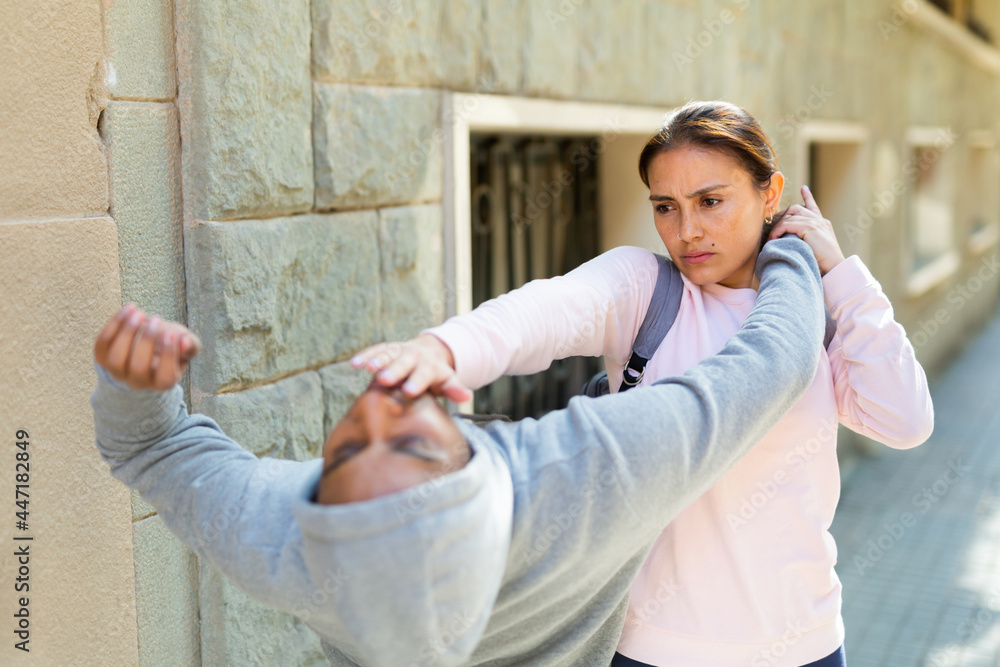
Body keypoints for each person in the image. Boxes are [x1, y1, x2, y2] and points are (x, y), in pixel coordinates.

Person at [351, 101, 935, 666]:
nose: (687, 231)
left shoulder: (816, 311)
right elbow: (547, 310)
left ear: (770, 194)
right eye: (666, 206)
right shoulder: (645, 290)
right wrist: (442, 350)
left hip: (804, 644)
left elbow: (904, 421)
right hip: (652, 649)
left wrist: (844, 278)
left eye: (711, 201)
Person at [92, 236, 824, 666]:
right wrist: (790, 249)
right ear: (472, 478)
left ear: (314, 496)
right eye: (411, 441)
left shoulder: (288, 540)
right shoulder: (592, 475)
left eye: (345, 451)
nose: (384, 404)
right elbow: (774, 363)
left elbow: (151, 447)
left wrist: (136, 388)